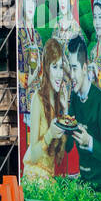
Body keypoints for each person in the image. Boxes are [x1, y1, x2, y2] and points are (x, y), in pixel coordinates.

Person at [62, 33, 101, 197]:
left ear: (85, 68)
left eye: (74, 68)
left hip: (100, 189)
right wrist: (64, 115)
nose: (71, 75)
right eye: (69, 68)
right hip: (82, 185)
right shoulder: (75, 99)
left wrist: (89, 142)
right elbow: (68, 146)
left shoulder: (99, 100)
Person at [23, 36, 70, 183]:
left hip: (49, 178)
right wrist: (50, 134)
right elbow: (33, 155)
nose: (59, 74)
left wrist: (66, 111)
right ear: (47, 68)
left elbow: (65, 152)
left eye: (61, 67)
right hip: (35, 176)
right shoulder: (38, 99)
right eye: (54, 67)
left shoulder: (59, 103)